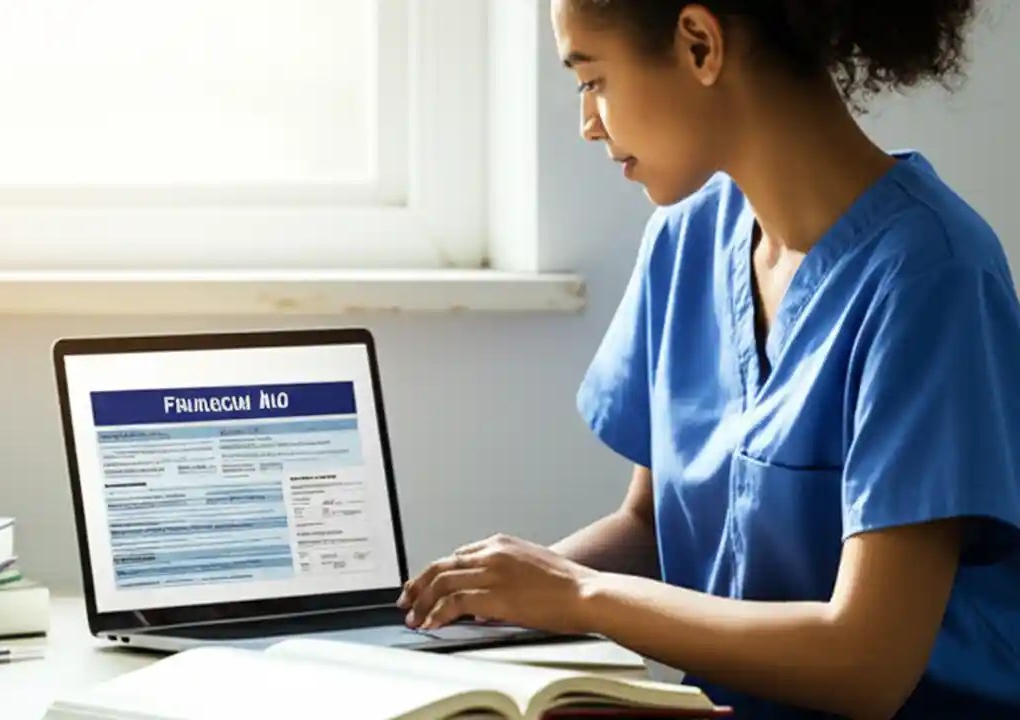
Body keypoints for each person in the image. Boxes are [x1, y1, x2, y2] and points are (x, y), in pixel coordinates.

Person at [396, 1, 1020, 717]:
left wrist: (576, 594)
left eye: (592, 79)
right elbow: (651, 528)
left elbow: (867, 661)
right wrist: (484, 602)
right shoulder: (686, 238)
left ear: (699, 45)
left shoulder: (931, 277)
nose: (588, 122)